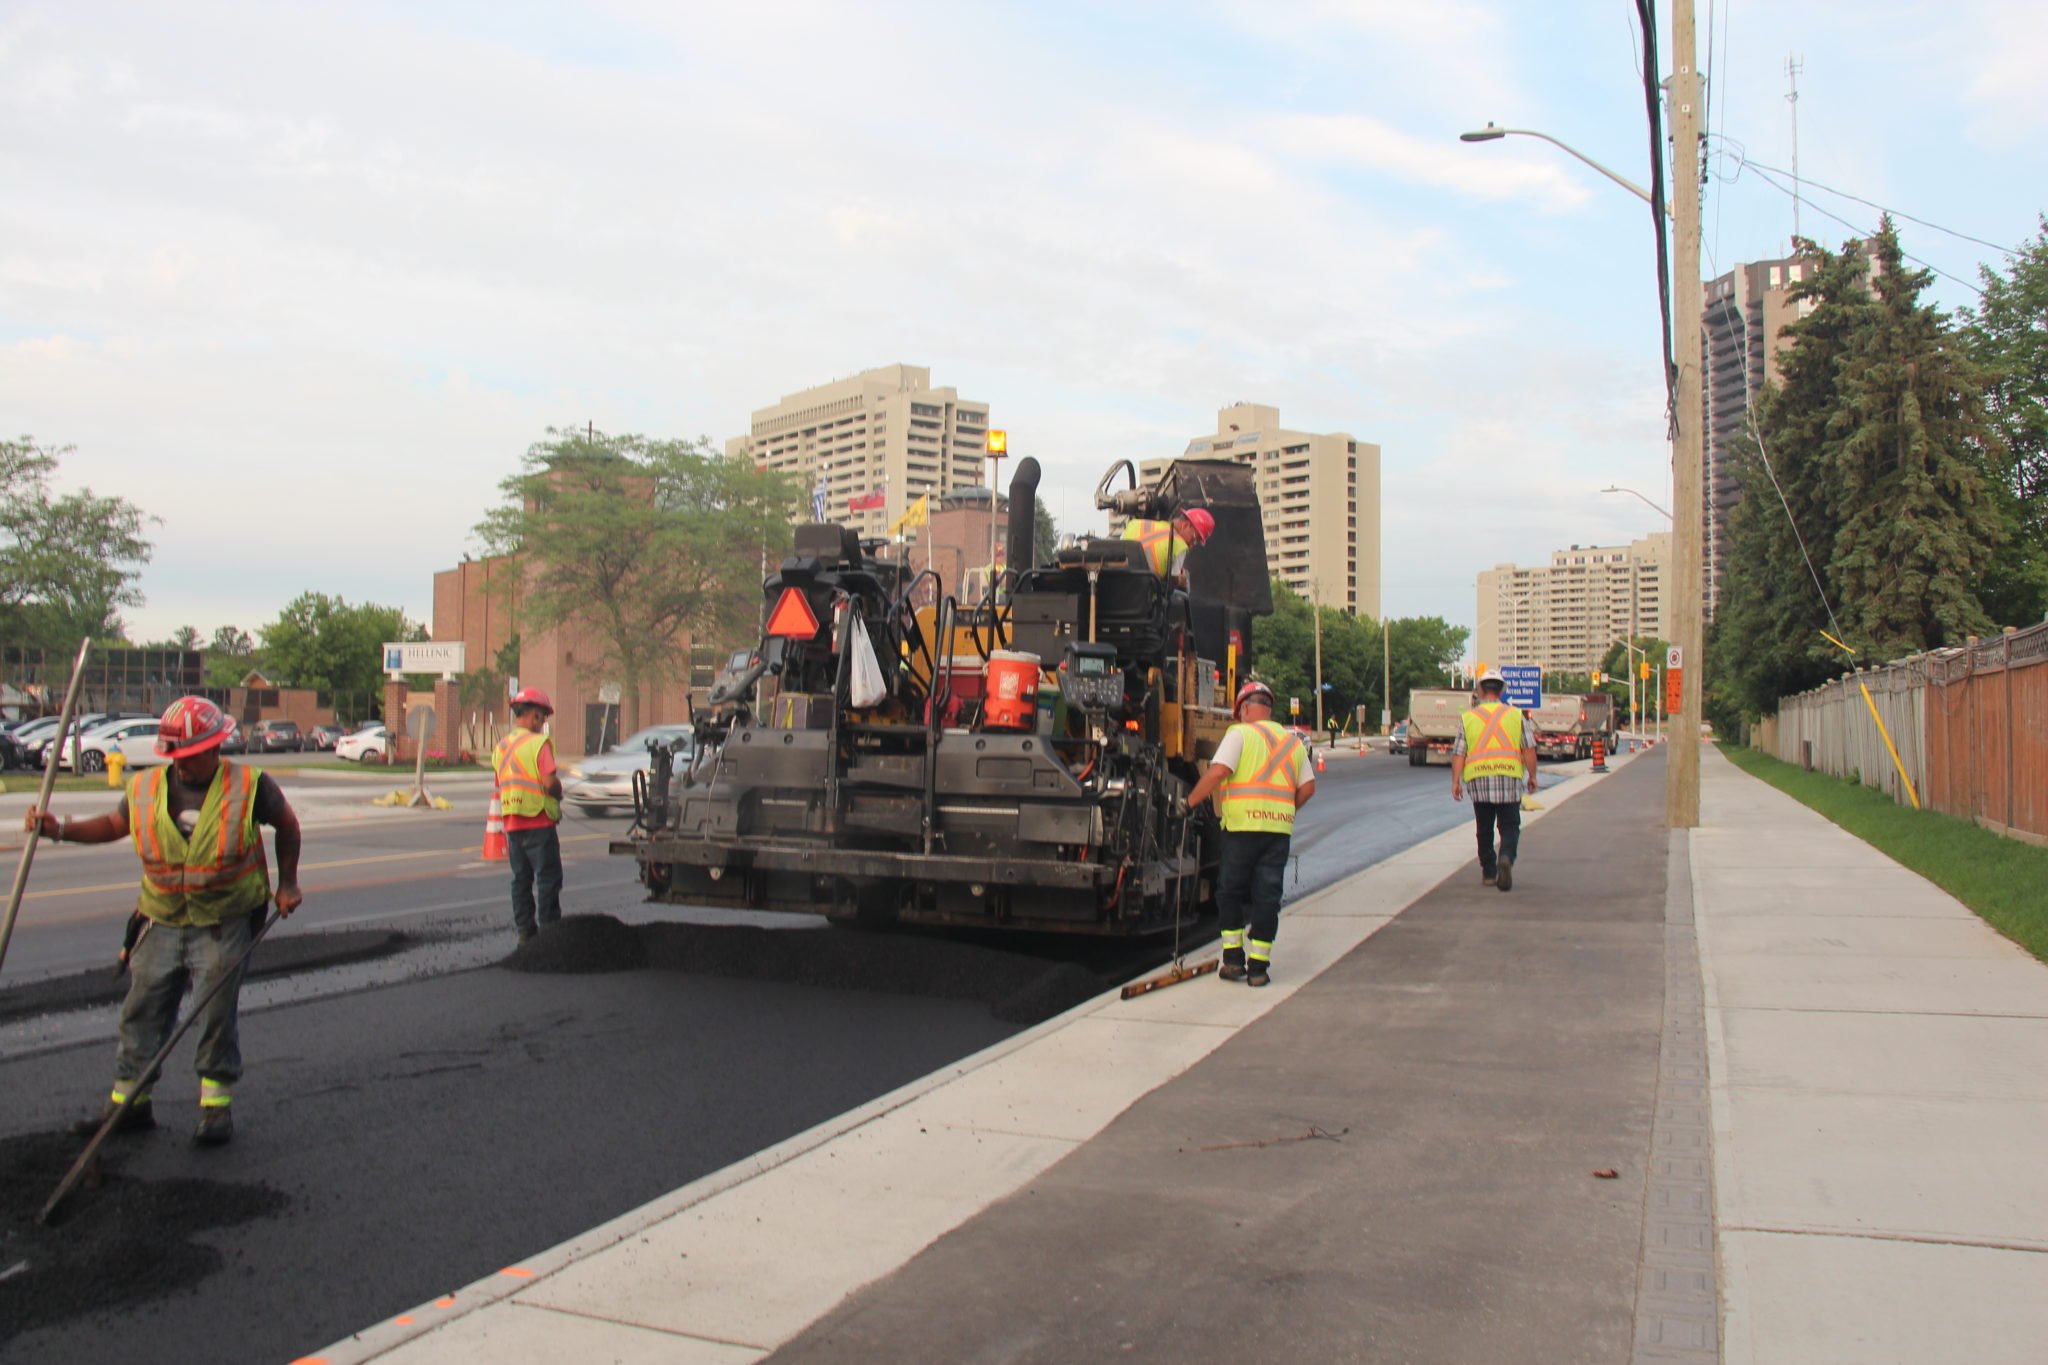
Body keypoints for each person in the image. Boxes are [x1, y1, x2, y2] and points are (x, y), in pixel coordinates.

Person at [25, 696, 302, 1146]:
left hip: (223, 919)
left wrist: (288, 883)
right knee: (142, 1011)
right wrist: (59, 830)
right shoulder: (146, 786)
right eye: (174, 755)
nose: (180, 764)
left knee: (215, 1015)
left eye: (189, 755)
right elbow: (113, 825)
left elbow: (287, 826)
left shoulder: (250, 785)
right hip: (161, 918)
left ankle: (215, 1110)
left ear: (214, 747)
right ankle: (130, 1104)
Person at [1184, 679, 1315, 987]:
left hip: (1242, 829)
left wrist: (1189, 802)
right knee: (1267, 896)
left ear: (1244, 709)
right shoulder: (1292, 742)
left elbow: (1219, 771)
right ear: (1269, 709)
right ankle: (1259, 968)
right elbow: (1308, 787)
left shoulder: (1239, 734)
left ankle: (1233, 960)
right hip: (1277, 831)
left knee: (1229, 891)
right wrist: (1286, 810)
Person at [1451, 668, 1540, 891]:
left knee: (1484, 828)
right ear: (1502, 691)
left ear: (1480, 690)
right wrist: (1533, 776)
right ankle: (1506, 856)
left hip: (1478, 780)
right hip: (1508, 778)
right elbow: (1528, 749)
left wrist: (1455, 782)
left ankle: (1489, 872)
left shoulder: (1468, 718)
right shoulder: (1516, 715)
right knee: (1510, 825)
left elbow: (1459, 753)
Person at [494, 687, 564, 945]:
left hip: (513, 823)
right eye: (542, 717)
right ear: (534, 715)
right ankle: (549, 933)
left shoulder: (501, 746)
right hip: (538, 822)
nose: (543, 722)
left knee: (521, 880)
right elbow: (549, 782)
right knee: (548, 878)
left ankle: (525, 933)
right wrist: (558, 791)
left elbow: (500, 782)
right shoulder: (538, 744)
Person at [1120, 507, 1214, 587]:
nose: (1192, 545)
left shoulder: (1135, 524)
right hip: (1141, 595)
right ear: (1185, 525)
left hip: (1117, 584)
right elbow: (1173, 579)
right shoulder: (1179, 545)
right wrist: (1181, 580)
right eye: (1194, 539)